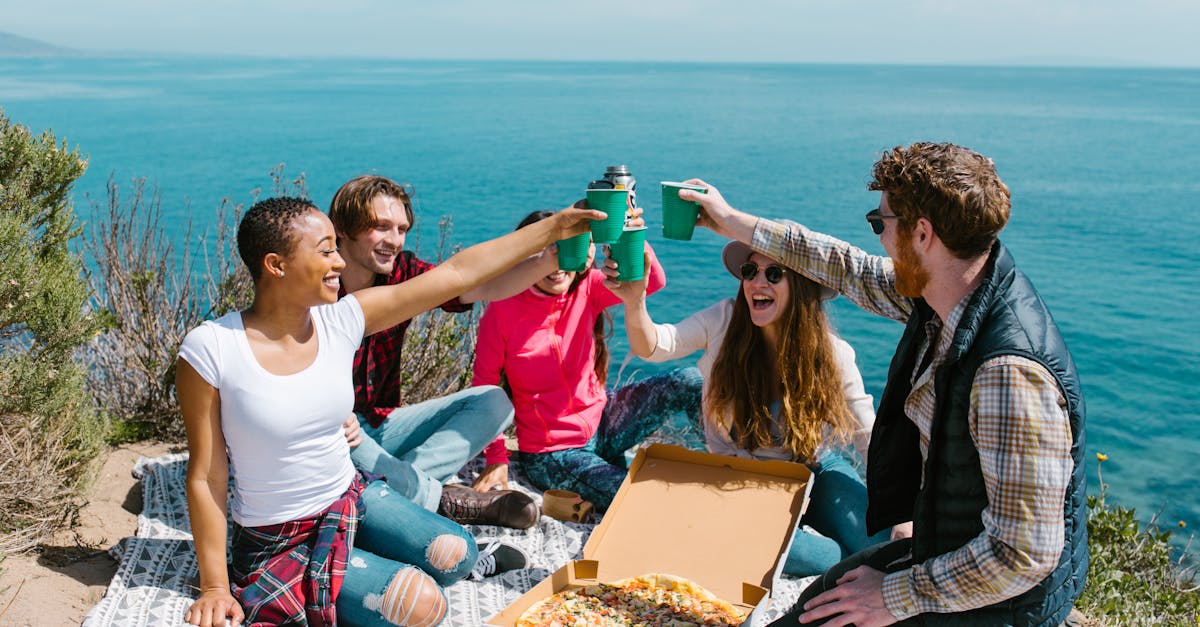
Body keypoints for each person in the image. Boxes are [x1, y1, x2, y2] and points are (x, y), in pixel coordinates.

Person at [679, 142, 1086, 626]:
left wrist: (895, 595)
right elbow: (844, 266)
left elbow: (1022, 555)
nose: (877, 240)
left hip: (997, 605)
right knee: (823, 598)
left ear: (922, 234)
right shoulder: (950, 296)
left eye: (880, 224)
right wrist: (729, 221)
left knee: (831, 604)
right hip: (949, 552)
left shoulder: (1006, 375)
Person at [178, 196, 602, 627]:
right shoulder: (212, 348)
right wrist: (214, 587)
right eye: (325, 250)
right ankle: (342, 564)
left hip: (349, 497)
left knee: (459, 555)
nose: (338, 262)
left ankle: (356, 554)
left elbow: (456, 274)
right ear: (276, 264)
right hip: (278, 538)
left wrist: (556, 228)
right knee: (423, 606)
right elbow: (207, 475)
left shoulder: (340, 321)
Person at [609, 234, 905, 577]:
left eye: (774, 274)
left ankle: (855, 555)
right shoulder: (723, 321)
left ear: (803, 284)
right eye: (750, 271)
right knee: (771, 550)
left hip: (813, 469)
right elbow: (656, 346)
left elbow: (869, 434)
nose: (756, 282)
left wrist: (901, 513)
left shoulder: (832, 353)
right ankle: (848, 564)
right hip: (743, 477)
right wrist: (635, 302)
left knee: (892, 544)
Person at [328, 175, 559, 530]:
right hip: (333, 432)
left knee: (495, 402)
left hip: (380, 423)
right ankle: (442, 500)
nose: (394, 240)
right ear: (342, 228)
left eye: (402, 228)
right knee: (333, 438)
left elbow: (476, 286)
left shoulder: (402, 271)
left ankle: (390, 489)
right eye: (381, 227)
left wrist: (547, 262)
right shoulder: (315, 285)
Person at [469, 210, 703, 510]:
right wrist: (496, 458)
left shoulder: (587, 287)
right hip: (553, 452)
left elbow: (653, 281)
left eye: (568, 247)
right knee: (633, 495)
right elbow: (484, 390)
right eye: (549, 252)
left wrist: (629, 234)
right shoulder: (502, 311)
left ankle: (726, 459)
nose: (558, 266)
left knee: (688, 381)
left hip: (602, 421)